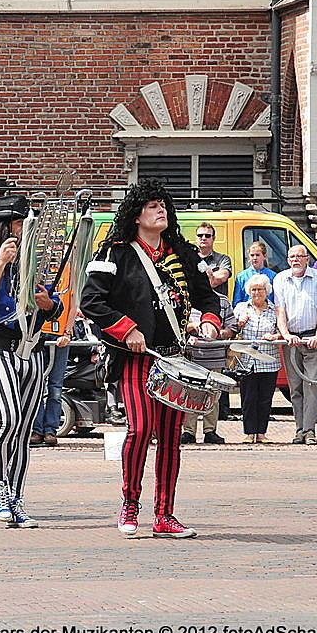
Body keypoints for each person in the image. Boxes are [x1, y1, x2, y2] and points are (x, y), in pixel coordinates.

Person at [81, 179, 221, 539]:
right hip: (135, 359)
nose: (160, 210)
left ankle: (165, 514)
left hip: (175, 358)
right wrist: (126, 329)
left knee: (172, 437)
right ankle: (130, 504)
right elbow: (92, 302)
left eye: (163, 205)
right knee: (140, 430)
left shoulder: (184, 253)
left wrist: (207, 322)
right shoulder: (114, 253)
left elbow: (208, 299)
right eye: (152, 205)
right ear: (137, 214)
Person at [0, 195, 62, 529]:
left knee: (24, 428)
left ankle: (16, 496)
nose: (26, 231)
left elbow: (55, 305)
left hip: (32, 347)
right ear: (4, 228)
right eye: (22, 224)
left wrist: (48, 303)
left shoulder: (35, 261)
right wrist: (0, 265)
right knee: (9, 419)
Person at [273, 244, 317, 444]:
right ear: (288, 260)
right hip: (291, 340)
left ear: (307, 259)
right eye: (292, 257)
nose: (296, 260)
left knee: (311, 385)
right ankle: (299, 430)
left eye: (300, 256)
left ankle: (310, 431)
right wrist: (285, 334)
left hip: (311, 339)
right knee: (295, 387)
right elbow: (280, 311)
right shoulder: (280, 279)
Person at [180, 292, 237, 444]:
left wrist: (218, 334)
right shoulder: (185, 297)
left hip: (215, 357)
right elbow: (177, 324)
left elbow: (233, 327)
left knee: (213, 397)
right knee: (190, 394)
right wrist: (193, 326)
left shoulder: (222, 301)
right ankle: (188, 431)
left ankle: (210, 431)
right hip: (192, 357)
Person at [233, 275, 282, 443]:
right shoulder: (241, 307)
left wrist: (274, 336)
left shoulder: (275, 309)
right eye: (253, 289)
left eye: (260, 289)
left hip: (268, 360)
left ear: (266, 291)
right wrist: (239, 324)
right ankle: (249, 433)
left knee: (265, 399)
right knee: (248, 398)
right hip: (247, 361)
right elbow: (232, 330)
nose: (256, 293)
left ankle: (261, 433)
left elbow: (283, 331)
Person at [232, 241, 276, 306]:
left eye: (257, 255)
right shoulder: (241, 277)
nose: (254, 258)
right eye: (252, 255)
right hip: (247, 313)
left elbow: (276, 299)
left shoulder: (273, 276)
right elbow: (237, 301)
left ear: (264, 256)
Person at [194, 222, 232, 296]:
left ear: (213, 238)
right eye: (200, 235)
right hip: (194, 305)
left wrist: (195, 281)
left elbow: (216, 281)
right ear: (196, 238)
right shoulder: (188, 259)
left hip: (217, 305)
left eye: (207, 236)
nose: (203, 238)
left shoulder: (223, 259)